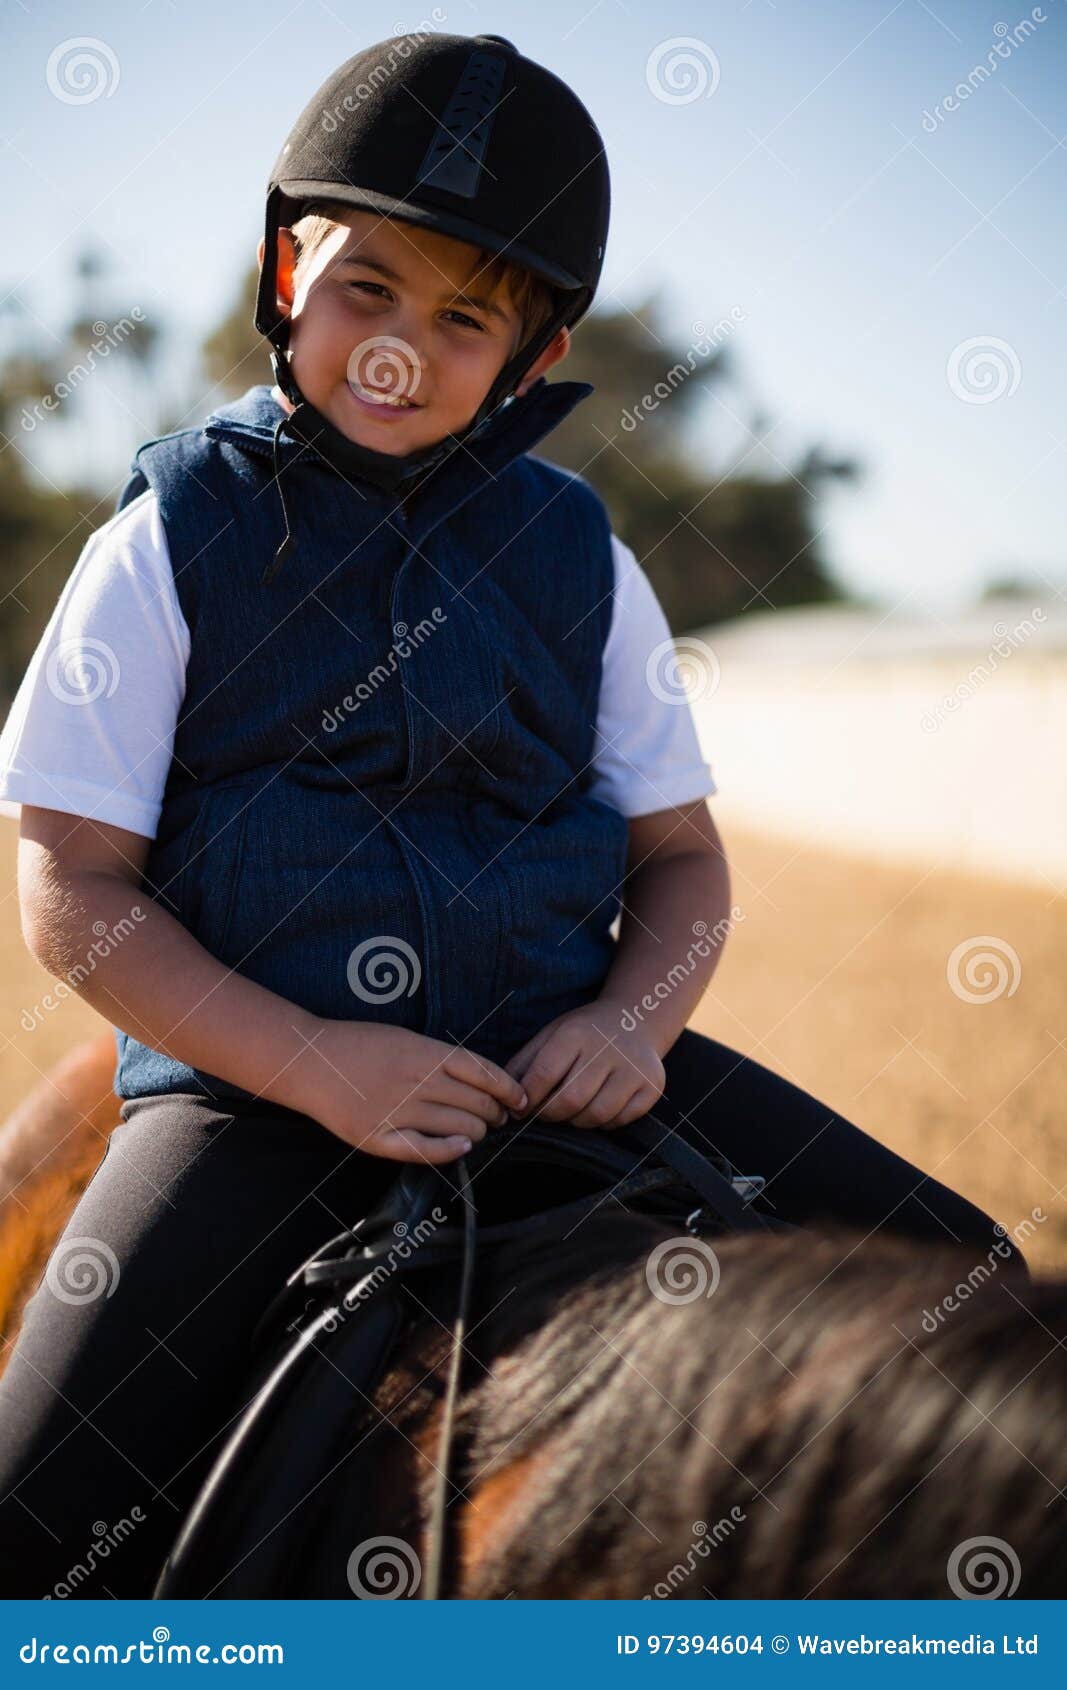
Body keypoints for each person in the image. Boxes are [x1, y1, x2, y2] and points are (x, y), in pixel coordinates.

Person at [0, 33, 1017, 1598]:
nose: (400, 346)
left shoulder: (580, 555)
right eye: (367, 287)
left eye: (463, 317)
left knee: (984, 1297)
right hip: (252, 1092)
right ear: (287, 270)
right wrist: (313, 1060)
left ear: (530, 360)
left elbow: (680, 858)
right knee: (34, 1506)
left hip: (565, 1068)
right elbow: (71, 882)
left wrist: (631, 1024)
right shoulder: (169, 535)